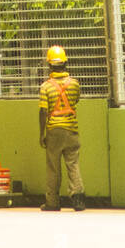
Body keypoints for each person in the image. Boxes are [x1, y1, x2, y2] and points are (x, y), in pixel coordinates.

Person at [39, 44, 84, 211]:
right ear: (65, 63)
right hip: (72, 130)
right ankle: (78, 198)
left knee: (53, 167)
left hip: (54, 131)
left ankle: (52, 202)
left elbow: (43, 111)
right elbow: (75, 101)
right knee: (73, 164)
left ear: (49, 64)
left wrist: (41, 133)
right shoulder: (74, 84)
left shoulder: (45, 87)